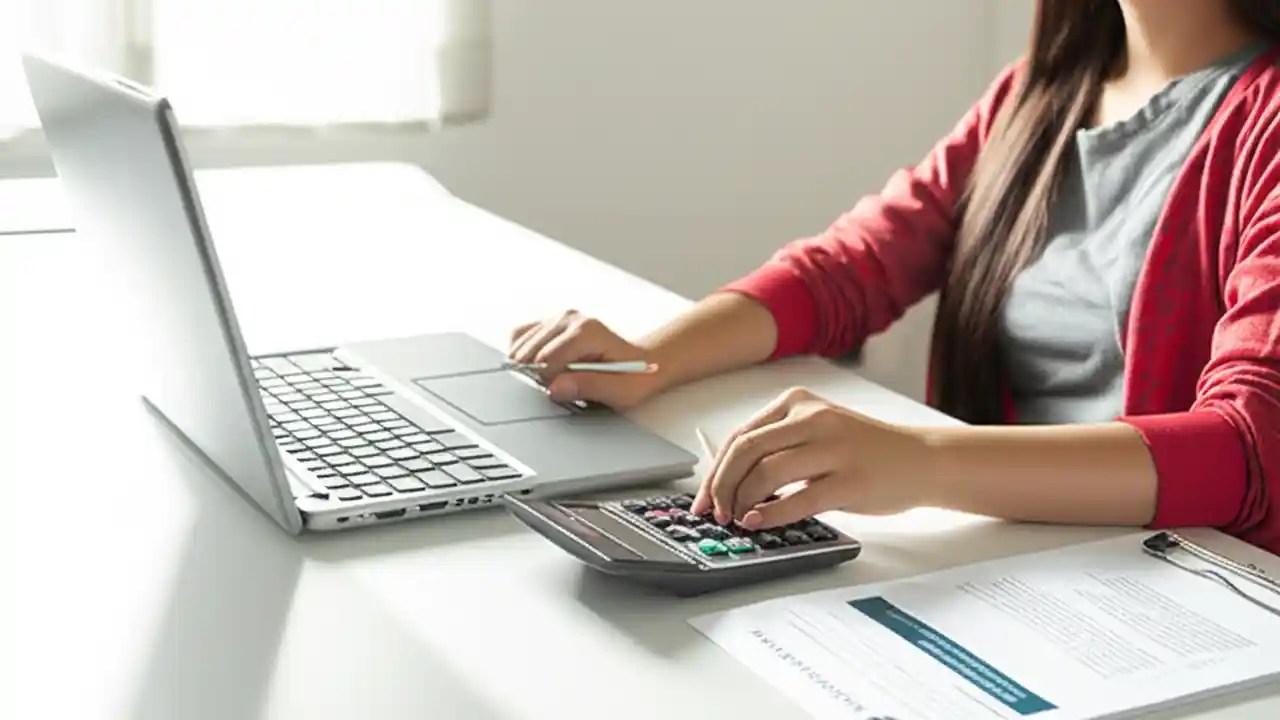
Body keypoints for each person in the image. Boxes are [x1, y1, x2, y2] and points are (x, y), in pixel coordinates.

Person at [509, 0, 1280, 553]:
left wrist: (922, 463)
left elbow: (1248, 449)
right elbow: (851, 266)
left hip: (1182, 583)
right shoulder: (1038, 94)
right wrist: (650, 359)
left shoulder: (1265, 120)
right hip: (1011, 550)